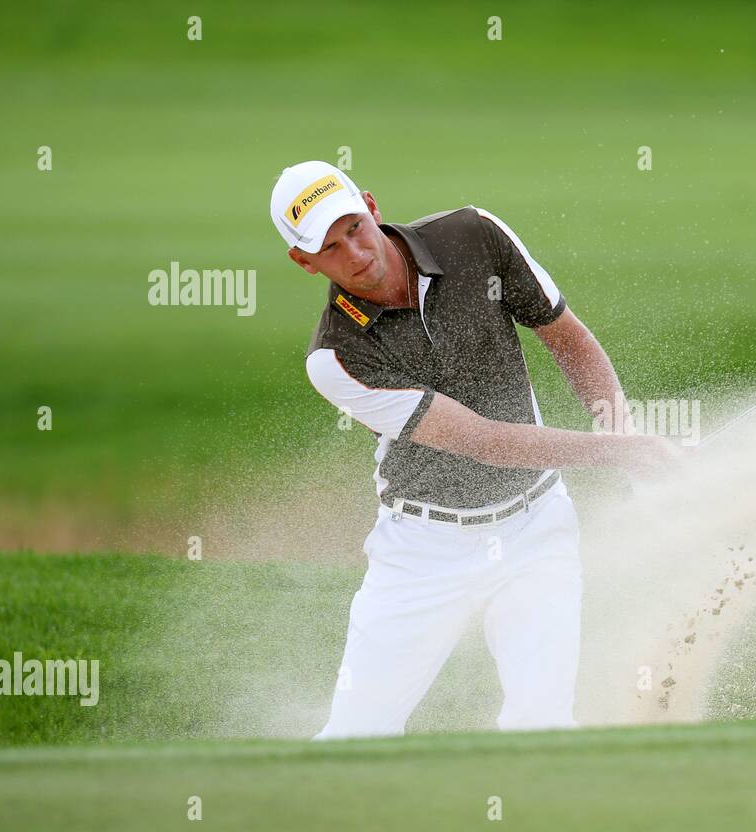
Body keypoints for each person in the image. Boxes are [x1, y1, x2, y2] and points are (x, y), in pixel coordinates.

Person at [268, 161, 676, 738]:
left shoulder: (472, 235)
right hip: (422, 548)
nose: (355, 254)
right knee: (356, 735)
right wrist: (617, 455)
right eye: (330, 249)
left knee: (543, 724)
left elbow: (567, 338)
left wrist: (623, 435)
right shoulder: (335, 357)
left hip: (536, 529)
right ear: (305, 263)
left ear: (371, 205)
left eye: (354, 227)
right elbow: (483, 441)